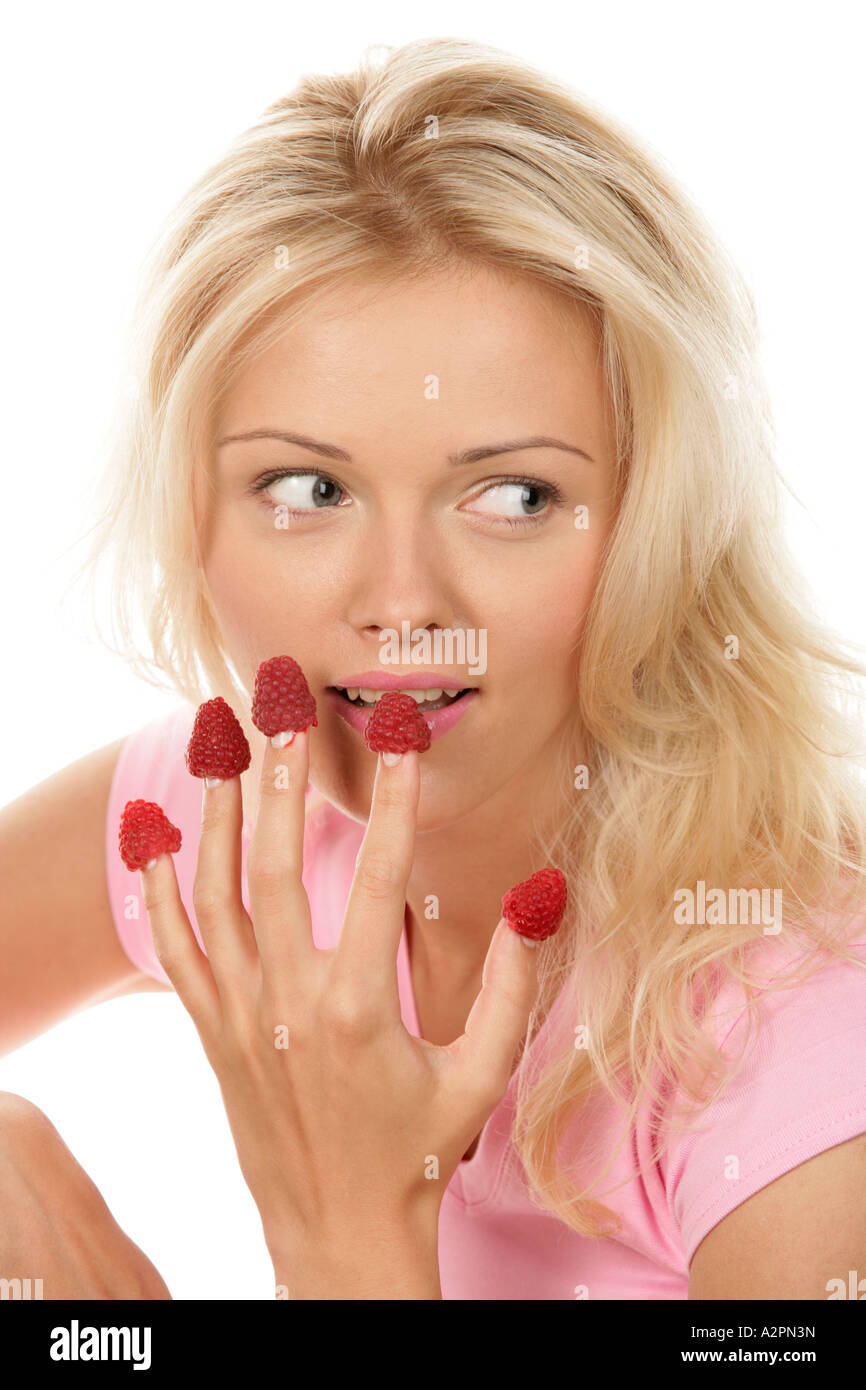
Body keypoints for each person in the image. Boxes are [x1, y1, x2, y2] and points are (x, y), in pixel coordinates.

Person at [2, 35, 866, 1300]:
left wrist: (345, 1236)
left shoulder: (791, 1025)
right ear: (194, 519)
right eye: (307, 488)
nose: (402, 605)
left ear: (653, 525)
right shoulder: (225, 821)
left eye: (513, 494)